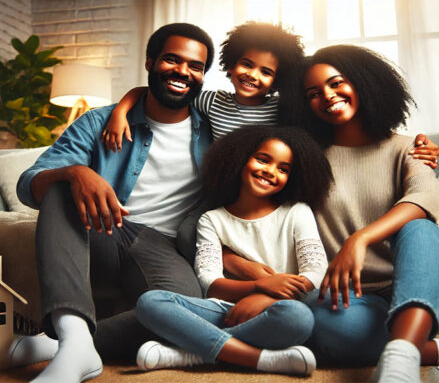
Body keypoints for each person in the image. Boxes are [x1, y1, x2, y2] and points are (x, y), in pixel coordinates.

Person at [227, 45, 439, 382]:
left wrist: (360, 239)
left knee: (420, 229)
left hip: (426, 287)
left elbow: (425, 199)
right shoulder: (303, 160)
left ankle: (400, 364)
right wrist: (261, 286)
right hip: (349, 298)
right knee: (317, 324)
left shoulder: (409, 148)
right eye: (313, 93)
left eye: (336, 83)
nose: (328, 96)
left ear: (363, 82)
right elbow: (260, 217)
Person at [12, 23, 216, 383]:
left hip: (164, 247)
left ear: (202, 76)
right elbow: (29, 184)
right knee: (62, 186)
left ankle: (57, 346)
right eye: (171, 59)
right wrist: (76, 172)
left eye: (195, 66)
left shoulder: (214, 130)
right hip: (102, 232)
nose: (183, 71)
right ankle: (73, 338)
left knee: (191, 315)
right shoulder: (98, 121)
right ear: (151, 62)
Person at [133, 126, 332, 376]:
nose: (270, 172)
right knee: (151, 302)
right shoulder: (212, 220)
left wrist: (269, 298)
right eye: (263, 159)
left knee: (298, 319)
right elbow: (209, 282)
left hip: (280, 309)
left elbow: (316, 272)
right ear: (241, 158)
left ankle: (189, 355)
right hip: (225, 312)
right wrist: (258, 287)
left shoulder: (297, 212)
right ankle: (256, 358)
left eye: (283, 169)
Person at [102, 21, 304, 151]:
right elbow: (148, 92)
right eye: (247, 64)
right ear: (232, 65)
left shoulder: (280, 107)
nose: (253, 75)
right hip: (222, 195)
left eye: (266, 72)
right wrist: (120, 113)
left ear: (277, 79)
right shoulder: (211, 101)